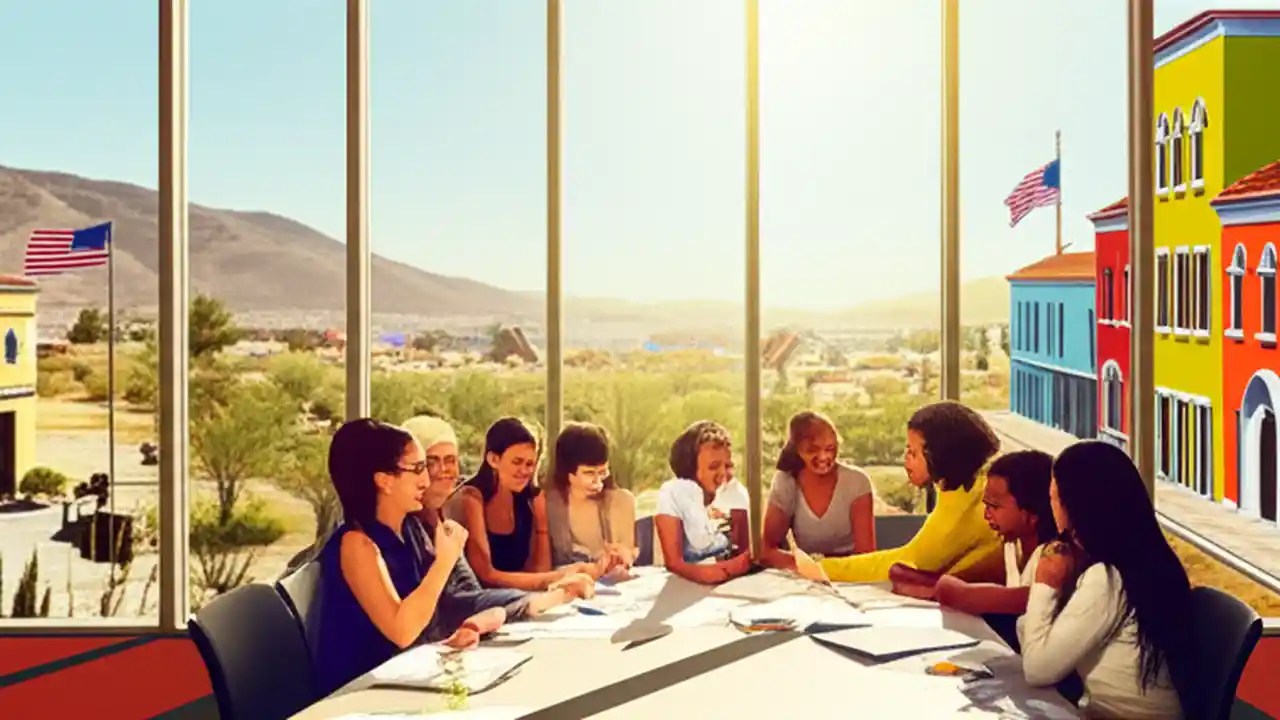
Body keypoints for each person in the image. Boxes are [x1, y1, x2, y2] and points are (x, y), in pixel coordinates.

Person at [312, 419, 504, 697]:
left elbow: (431, 613)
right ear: (384, 480)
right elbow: (402, 631)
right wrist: (445, 561)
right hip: (362, 694)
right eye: (417, 468)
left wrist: (465, 631)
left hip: (406, 678)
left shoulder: (410, 528)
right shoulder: (356, 544)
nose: (426, 480)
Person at [1018, 441, 1188, 719]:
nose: (1051, 505)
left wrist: (1045, 584)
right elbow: (1030, 641)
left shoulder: (1108, 579)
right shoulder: (1141, 561)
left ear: (1072, 506)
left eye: (1053, 496)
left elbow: (1037, 670)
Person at [796, 401, 1003, 584]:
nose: (906, 460)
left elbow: (912, 561)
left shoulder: (969, 500)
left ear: (939, 455)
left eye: (913, 452)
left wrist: (822, 567)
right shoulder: (967, 487)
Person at [401, 414, 581, 617]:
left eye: (450, 460)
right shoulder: (462, 501)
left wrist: (549, 591)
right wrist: (550, 587)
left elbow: (469, 592)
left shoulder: (438, 521)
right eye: (429, 463)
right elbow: (480, 581)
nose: (443, 470)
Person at [890, 450, 1055, 619]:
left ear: (1031, 515)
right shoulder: (1011, 547)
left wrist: (939, 589)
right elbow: (961, 581)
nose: (986, 515)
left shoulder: (1054, 560)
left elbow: (961, 593)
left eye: (994, 506)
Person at [444, 417, 597, 592]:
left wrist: (565, 574)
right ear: (493, 459)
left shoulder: (532, 499)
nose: (524, 471)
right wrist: (560, 576)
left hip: (519, 596)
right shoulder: (471, 498)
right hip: (478, 599)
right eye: (517, 462)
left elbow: (539, 570)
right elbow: (486, 576)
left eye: (529, 464)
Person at [758, 411, 875, 570]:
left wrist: (828, 568)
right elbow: (766, 550)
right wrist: (807, 566)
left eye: (830, 448)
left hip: (850, 573)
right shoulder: (786, 482)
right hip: (805, 574)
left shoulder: (857, 482)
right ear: (797, 449)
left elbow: (866, 556)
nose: (823, 456)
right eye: (812, 450)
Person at [654, 420, 752, 585]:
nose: (723, 474)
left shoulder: (736, 492)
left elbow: (745, 552)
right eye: (714, 467)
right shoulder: (672, 495)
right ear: (690, 469)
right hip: (682, 588)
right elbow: (674, 564)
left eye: (728, 465)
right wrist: (723, 571)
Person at [543, 421, 638, 573]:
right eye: (588, 473)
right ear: (567, 471)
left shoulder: (621, 501)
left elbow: (628, 553)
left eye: (602, 472)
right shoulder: (547, 504)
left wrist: (622, 556)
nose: (597, 481)